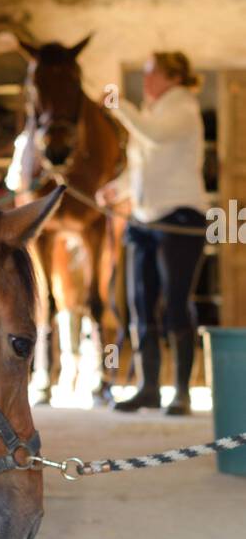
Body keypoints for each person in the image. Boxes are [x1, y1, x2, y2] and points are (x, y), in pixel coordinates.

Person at [97, 51, 206, 415]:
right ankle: (149, 387)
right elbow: (142, 167)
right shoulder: (151, 113)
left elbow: (156, 138)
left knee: (176, 306)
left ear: (173, 77)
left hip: (179, 219)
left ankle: (182, 393)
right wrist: (117, 187)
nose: (145, 82)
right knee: (141, 307)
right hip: (144, 222)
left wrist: (119, 105)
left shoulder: (183, 109)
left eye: (151, 74)